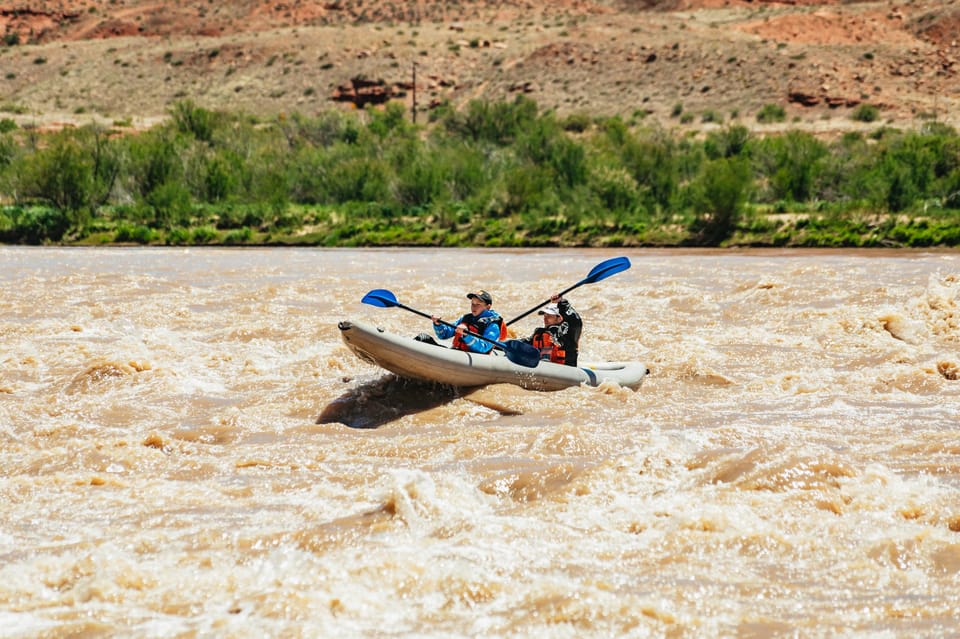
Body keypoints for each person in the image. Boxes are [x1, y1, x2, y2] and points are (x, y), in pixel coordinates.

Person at [416, 289, 506, 354]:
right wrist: (438, 324)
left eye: (478, 304)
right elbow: (444, 335)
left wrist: (467, 335)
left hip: (474, 359)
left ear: (488, 307)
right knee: (422, 338)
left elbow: (484, 347)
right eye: (472, 304)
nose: (474, 307)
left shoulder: (493, 325)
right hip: (457, 353)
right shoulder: (466, 318)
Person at [523, 294, 582, 366]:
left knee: (548, 334)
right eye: (545, 315)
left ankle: (545, 362)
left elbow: (575, 320)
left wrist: (562, 303)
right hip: (542, 368)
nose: (545, 318)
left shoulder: (566, 334)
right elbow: (525, 343)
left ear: (559, 318)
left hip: (564, 369)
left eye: (549, 316)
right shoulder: (539, 333)